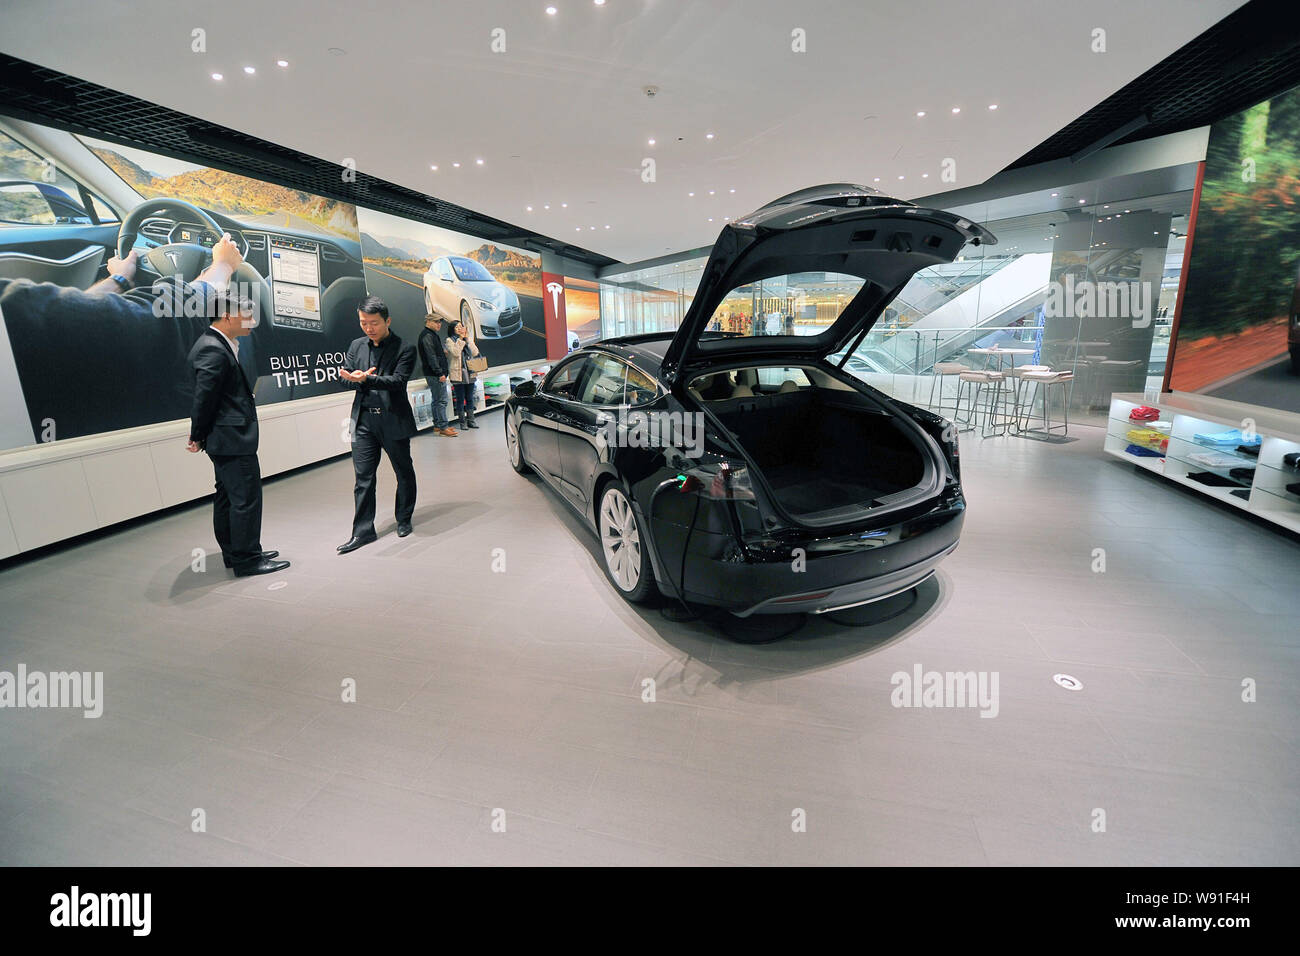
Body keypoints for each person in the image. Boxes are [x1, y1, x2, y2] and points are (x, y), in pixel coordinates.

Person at [186, 279, 288, 577]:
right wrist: (196, 434)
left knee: (229, 496)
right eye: (247, 314)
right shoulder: (213, 350)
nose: (252, 321)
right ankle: (247, 559)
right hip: (231, 439)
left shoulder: (215, 343)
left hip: (226, 438)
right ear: (228, 316)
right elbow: (203, 399)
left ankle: (236, 553)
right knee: (244, 498)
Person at [336, 296, 418, 554]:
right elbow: (346, 379)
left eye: (374, 323)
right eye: (363, 322)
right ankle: (362, 532)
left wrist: (366, 380)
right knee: (363, 479)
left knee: (403, 471)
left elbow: (398, 381)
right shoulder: (356, 345)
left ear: (387, 321)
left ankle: (403, 519)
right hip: (362, 421)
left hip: (393, 417)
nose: (368, 328)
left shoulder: (405, 348)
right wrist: (356, 380)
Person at [417, 313, 456, 437]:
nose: (439, 325)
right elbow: (431, 356)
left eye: (440, 322)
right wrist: (439, 373)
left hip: (433, 373)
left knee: (436, 400)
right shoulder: (427, 336)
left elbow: (434, 354)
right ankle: (443, 427)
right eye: (436, 322)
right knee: (441, 401)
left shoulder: (430, 335)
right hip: (435, 374)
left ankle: (438, 426)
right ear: (428, 321)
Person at [444, 319, 481, 429]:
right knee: (460, 399)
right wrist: (461, 339)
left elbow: (475, 352)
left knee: (470, 397)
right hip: (458, 373)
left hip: (470, 372)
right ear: (452, 330)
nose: (460, 329)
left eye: (461, 326)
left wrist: (468, 340)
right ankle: (462, 422)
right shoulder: (449, 340)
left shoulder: (467, 339)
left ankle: (471, 420)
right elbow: (455, 353)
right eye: (457, 327)